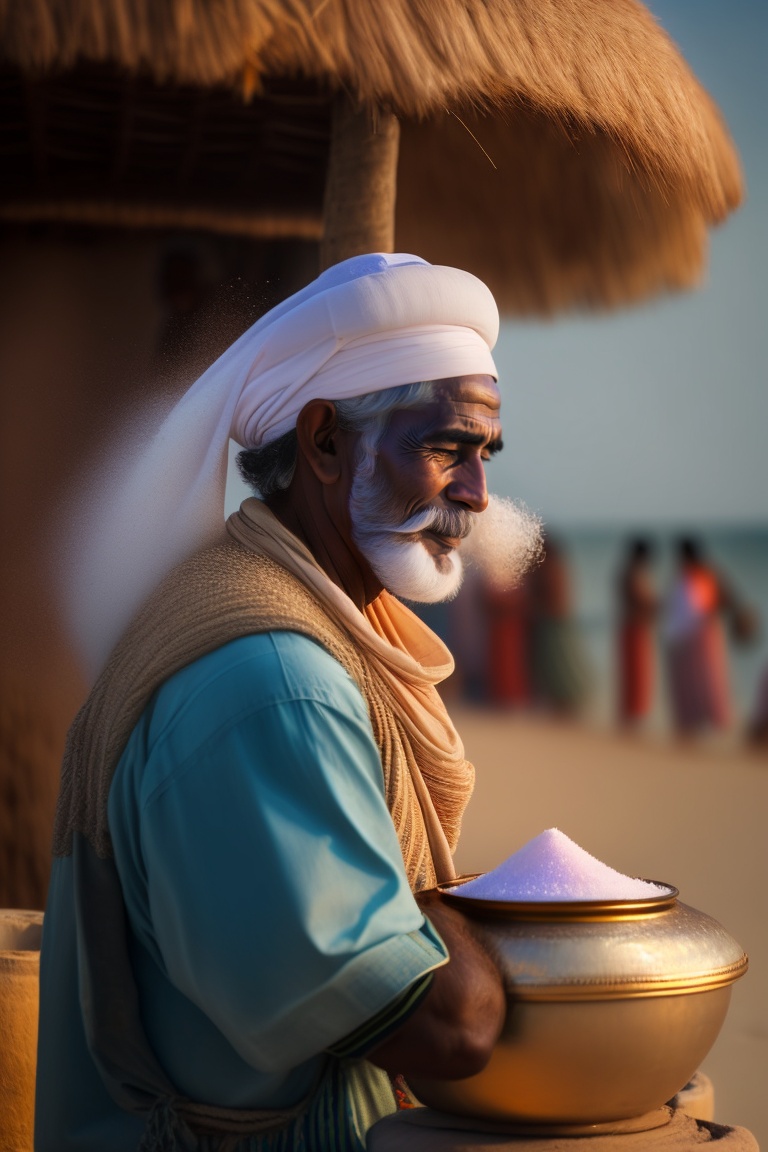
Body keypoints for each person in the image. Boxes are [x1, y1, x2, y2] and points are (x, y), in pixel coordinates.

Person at [36, 253, 542, 1151]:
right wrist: (454, 931)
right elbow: (448, 1025)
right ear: (323, 442)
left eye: (483, 454)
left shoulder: (276, 618)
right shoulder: (270, 686)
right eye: (444, 448)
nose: (476, 493)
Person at [663, 536, 732, 736]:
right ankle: (695, 724)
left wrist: (708, 614)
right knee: (702, 678)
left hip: (696, 635)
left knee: (701, 679)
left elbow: (721, 599)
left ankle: (699, 724)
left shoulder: (699, 574)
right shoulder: (701, 573)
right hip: (700, 633)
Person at [616, 537, 659, 727]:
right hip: (635, 628)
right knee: (637, 675)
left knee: (635, 675)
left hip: (634, 627)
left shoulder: (629, 572)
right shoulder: (633, 573)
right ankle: (633, 719)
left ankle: (632, 718)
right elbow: (643, 600)